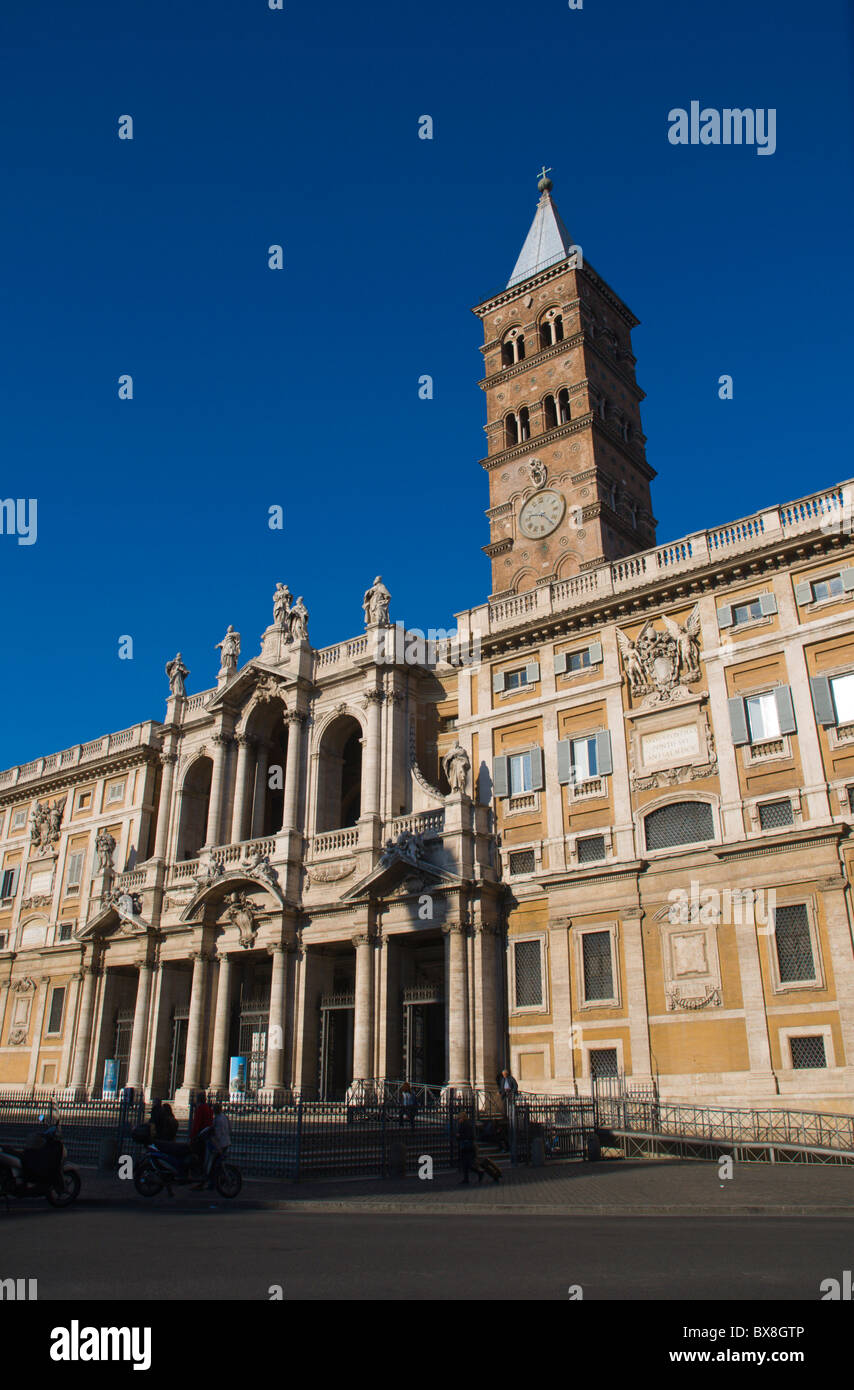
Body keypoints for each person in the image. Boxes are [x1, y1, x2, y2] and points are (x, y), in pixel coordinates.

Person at [201, 1103, 232, 1190]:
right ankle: (217, 1181)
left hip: (219, 1144)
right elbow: (230, 1128)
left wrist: (212, 1137)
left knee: (212, 1164)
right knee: (218, 1163)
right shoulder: (225, 1117)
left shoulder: (217, 1119)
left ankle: (212, 1183)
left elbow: (217, 1135)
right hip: (226, 1142)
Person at [190, 1091, 214, 1171]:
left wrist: (193, 1136)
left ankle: (197, 1170)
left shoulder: (200, 1109)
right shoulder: (208, 1108)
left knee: (198, 1154)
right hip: (207, 1134)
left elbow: (197, 1123)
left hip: (200, 1135)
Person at [456, 1109, 481, 1186]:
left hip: (467, 1146)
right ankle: (467, 1178)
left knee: (468, 1163)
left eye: (459, 1118)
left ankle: (478, 1173)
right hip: (468, 1146)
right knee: (466, 1164)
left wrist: (459, 1136)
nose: (458, 1120)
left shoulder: (464, 1124)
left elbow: (469, 1135)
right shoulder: (467, 1124)